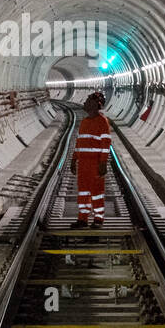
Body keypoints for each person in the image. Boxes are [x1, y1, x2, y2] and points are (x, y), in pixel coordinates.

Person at [72, 91, 111, 228]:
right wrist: (74, 159)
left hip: (95, 163)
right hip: (83, 164)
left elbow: (105, 144)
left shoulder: (102, 122)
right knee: (83, 191)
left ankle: (98, 219)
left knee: (96, 192)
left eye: (88, 101)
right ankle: (82, 219)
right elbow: (79, 142)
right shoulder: (84, 122)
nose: (85, 103)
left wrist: (103, 163)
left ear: (95, 104)